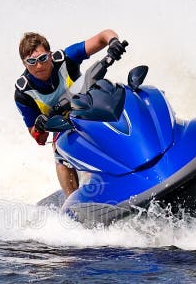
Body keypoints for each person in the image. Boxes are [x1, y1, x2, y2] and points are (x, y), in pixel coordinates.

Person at [14, 30, 125, 196]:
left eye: (43, 58)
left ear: (50, 55)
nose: (39, 66)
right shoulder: (23, 93)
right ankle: (73, 203)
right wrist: (39, 126)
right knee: (60, 151)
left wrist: (114, 42)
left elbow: (104, 36)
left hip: (91, 111)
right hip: (64, 129)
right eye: (31, 61)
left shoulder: (67, 58)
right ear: (24, 64)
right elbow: (38, 137)